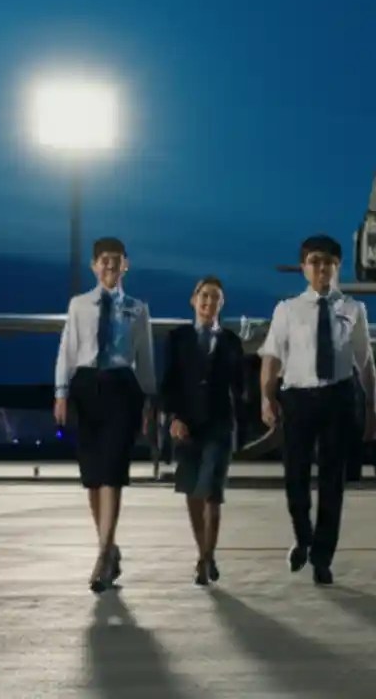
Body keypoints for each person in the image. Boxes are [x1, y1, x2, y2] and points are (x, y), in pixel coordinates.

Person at [259, 235, 376, 586]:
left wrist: (372, 407)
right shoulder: (287, 309)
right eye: (314, 261)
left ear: (337, 266)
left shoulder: (354, 309)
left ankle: (323, 556)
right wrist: (267, 398)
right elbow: (272, 357)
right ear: (303, 268)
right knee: (295, 476)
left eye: (327, 262)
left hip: (338, 398)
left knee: (332, 481)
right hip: (298, 398)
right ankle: (303, 536)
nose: (321, 268)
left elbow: (365, 362)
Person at [54, 236, 156, 593]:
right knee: (93, 477)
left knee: (113, 471)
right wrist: (61, 393)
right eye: (104, 261)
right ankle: (109, 549)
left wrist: (148, 401)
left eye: (117, 260)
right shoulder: (79, 305)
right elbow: (67, 349)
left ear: (126, 263)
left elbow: (145, 358)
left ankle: (101, 555)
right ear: (94, 266)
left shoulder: (137, 308)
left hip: (122, 387)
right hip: (86, 387)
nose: (111, 266)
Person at [160, 275, 245, 586]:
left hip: (220, 425)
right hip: (187, 426)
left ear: (222, 305)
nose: (209, 303)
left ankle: (206, 558)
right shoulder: (177, 338)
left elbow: (240, 388)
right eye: (205, 296)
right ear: (194, 300)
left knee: (212, 492)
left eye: (216, 298)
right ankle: (203, 552)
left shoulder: (231, 342)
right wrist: (173, 417)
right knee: (193, 492)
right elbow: (168, 383)